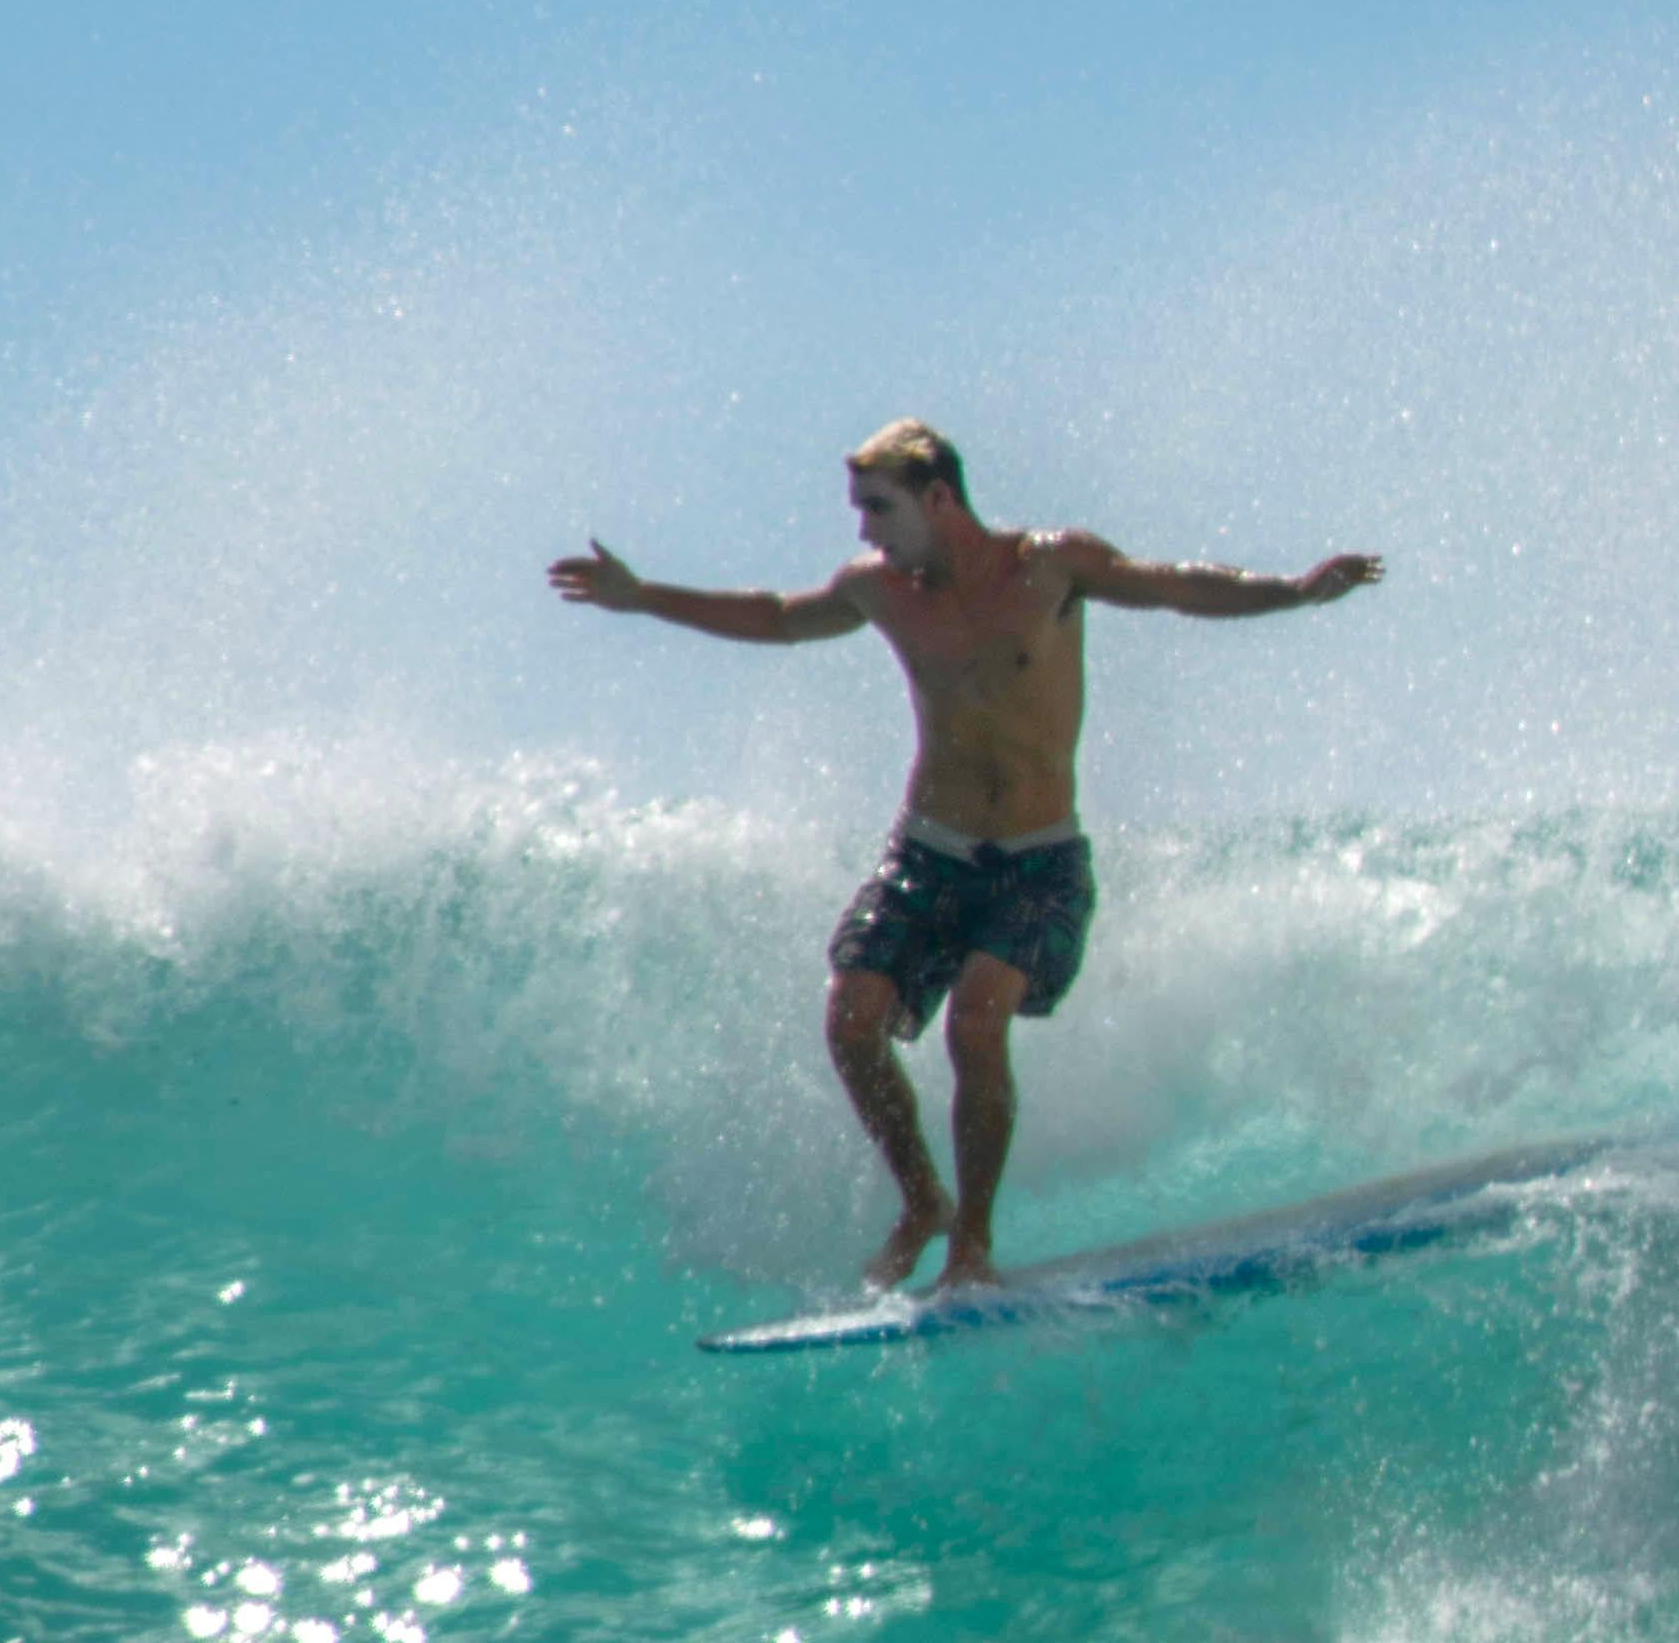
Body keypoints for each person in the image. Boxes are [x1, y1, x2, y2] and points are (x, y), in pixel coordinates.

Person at [549, 421, 1382, 1294]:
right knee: (849, 1020)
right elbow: (775, 618)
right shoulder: (881, 591)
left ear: (939, 496)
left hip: (1037, 862)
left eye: (880, 509)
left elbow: (1175, 588)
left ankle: (973, 1245)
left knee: (976, 1021)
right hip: (928, 856)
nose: (866, 531)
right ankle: (923, 1201)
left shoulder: (1051, 568)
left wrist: (1291, 591)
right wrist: (642, 597)